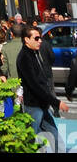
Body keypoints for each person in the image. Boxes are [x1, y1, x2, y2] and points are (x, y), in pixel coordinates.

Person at [18, 24, 68, 152]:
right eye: (36, 38)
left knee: (54, 135)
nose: (40, 40)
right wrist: (56, 102)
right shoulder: (24, 57)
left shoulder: (34, 53)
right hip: (33, 106)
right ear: (26, 40)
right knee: (33, 140)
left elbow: (40, 81)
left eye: (40, 38)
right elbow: (34, 85)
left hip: (42, 104)